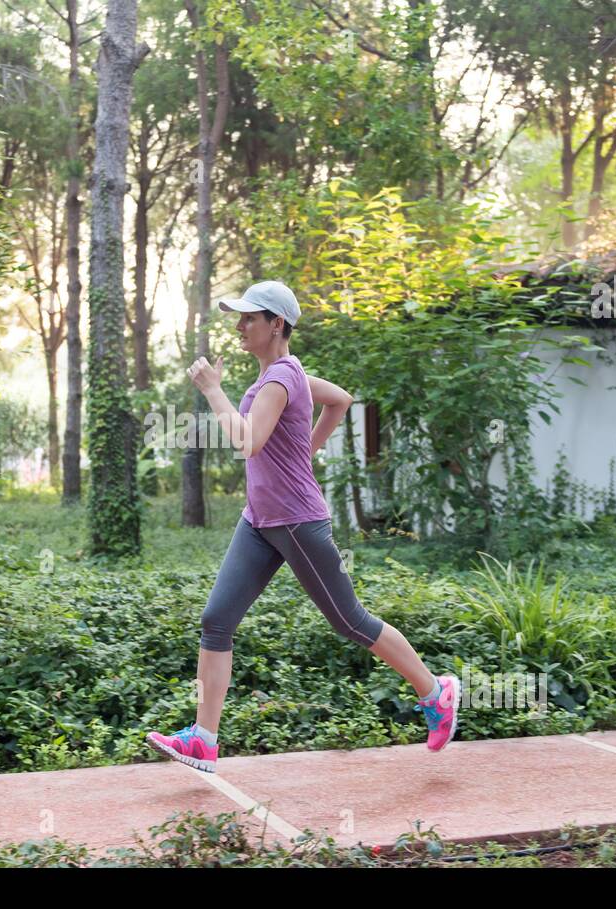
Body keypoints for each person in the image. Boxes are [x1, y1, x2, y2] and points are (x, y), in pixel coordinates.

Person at [144, 280, 460, 773]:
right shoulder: (287, 375)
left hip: (295, 520)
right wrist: (303, 451)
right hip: (258, 520)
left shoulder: (279, 378)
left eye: (250, 317)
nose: (239, 325)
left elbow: (247, 442)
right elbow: (341, 399)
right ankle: (203, 739)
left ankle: (435, 691)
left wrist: (212, 391)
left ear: (277, 324)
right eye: (239, 317)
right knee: (216, 619)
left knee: (351, 621)